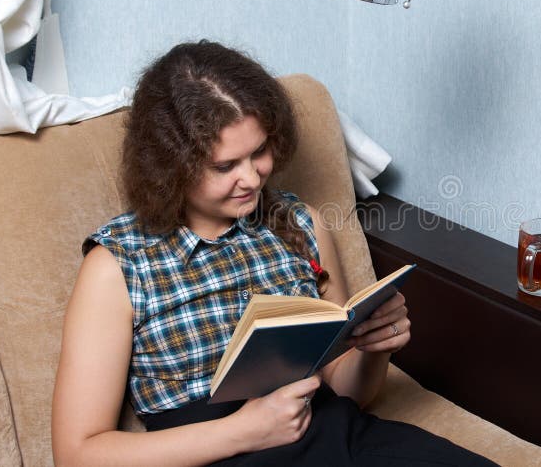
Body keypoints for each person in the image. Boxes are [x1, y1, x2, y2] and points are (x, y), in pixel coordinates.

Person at [51, 40, 497, 466]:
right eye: (225, 166)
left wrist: (374, 349)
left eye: (259, 151)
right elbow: (77, 454)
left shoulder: (302, 224)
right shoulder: (118, 265)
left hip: (341, 439)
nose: (251, 178)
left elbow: (347, 392)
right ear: (169, 167)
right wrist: (243, 433)